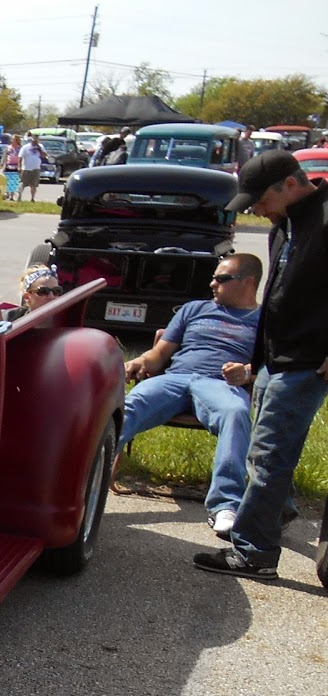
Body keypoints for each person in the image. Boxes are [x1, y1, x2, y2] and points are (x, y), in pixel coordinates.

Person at [194, 151, 328, 579]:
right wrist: (256, 364)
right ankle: (277, 513)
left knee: (269, 458)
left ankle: (254, 551)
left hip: (308, 361)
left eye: (259, 200)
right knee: (265, 453)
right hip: (276, 358)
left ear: (290, 185)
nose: (254, 209)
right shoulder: (284, 224)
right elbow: (276, 293)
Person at [118, 253, 263, 534]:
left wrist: (247, 372)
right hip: (175, 378)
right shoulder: (193, 309)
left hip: (221, 385)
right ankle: (81, 479)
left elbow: (269, 367)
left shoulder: (262, 321)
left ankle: (225, 506)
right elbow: (159, 354)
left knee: (236, 414)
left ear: (248, 282)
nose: (212, 283)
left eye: (221, 279)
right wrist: (139, 362)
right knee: (127, 406)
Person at [17, 134, 48, 202]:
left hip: (36, 168)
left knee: (34, 184)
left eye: (36, 140)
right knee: (23, 183)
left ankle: (32, 198)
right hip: (26, 168)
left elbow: (44, 155)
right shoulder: (25, 147)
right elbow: (20, 157)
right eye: (34, 140)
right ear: (31, 140)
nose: (35, 142)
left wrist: (39, 148)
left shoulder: (40, 147)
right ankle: (19, 196)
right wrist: (19, 166)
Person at [4, 134, 22, 201]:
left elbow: (21, 157)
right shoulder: (8, 147)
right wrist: (3, 164)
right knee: (8, 180)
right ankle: (7, 194)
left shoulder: (20, 148)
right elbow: (5, 156)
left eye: (13, 139)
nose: (12, 141)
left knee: (14, 181)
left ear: (17, 140)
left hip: (16, 166)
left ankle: (12, 196)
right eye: (12, 139)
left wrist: (20, 166)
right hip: (8, 165)